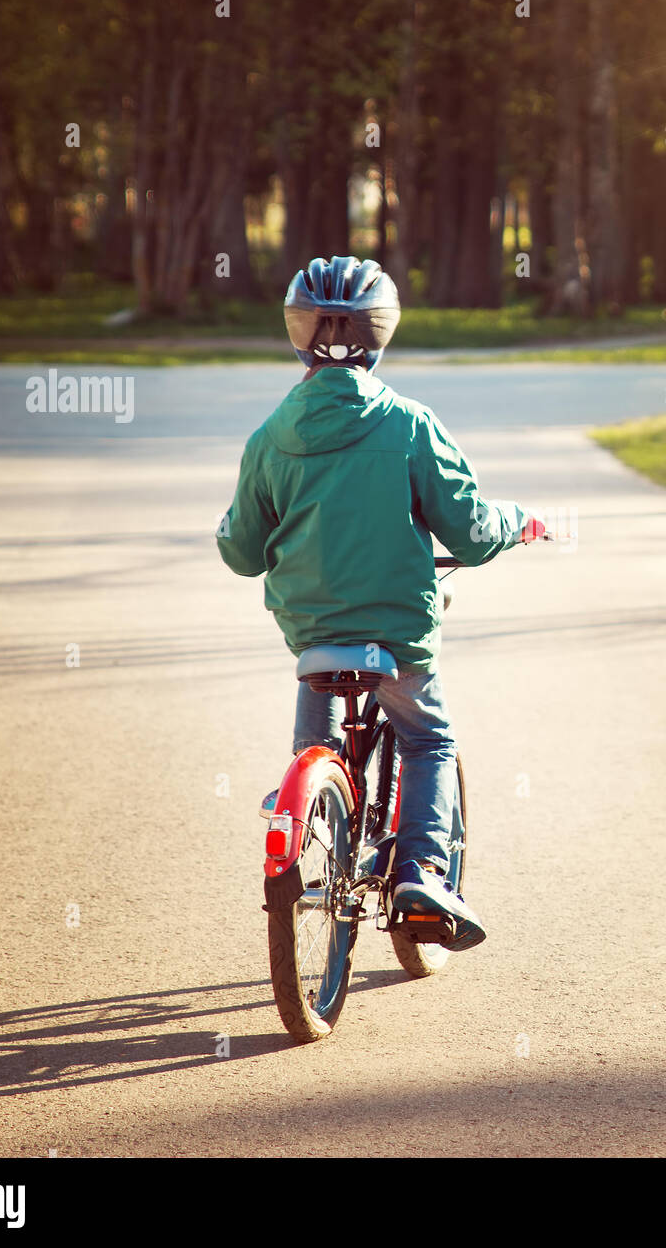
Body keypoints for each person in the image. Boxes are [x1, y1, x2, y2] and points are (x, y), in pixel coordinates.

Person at [216, 255, 545, 950]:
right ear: (382, 332)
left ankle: (305, 794)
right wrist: (517, 520)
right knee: (430, 738)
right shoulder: (410, 425)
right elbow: (469, 531)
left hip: (312, 630)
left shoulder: (272, 436)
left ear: (297, 331)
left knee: (317, 711)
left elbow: (243, 552)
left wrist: (227, 528)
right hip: (396, 634)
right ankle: (422, 870)